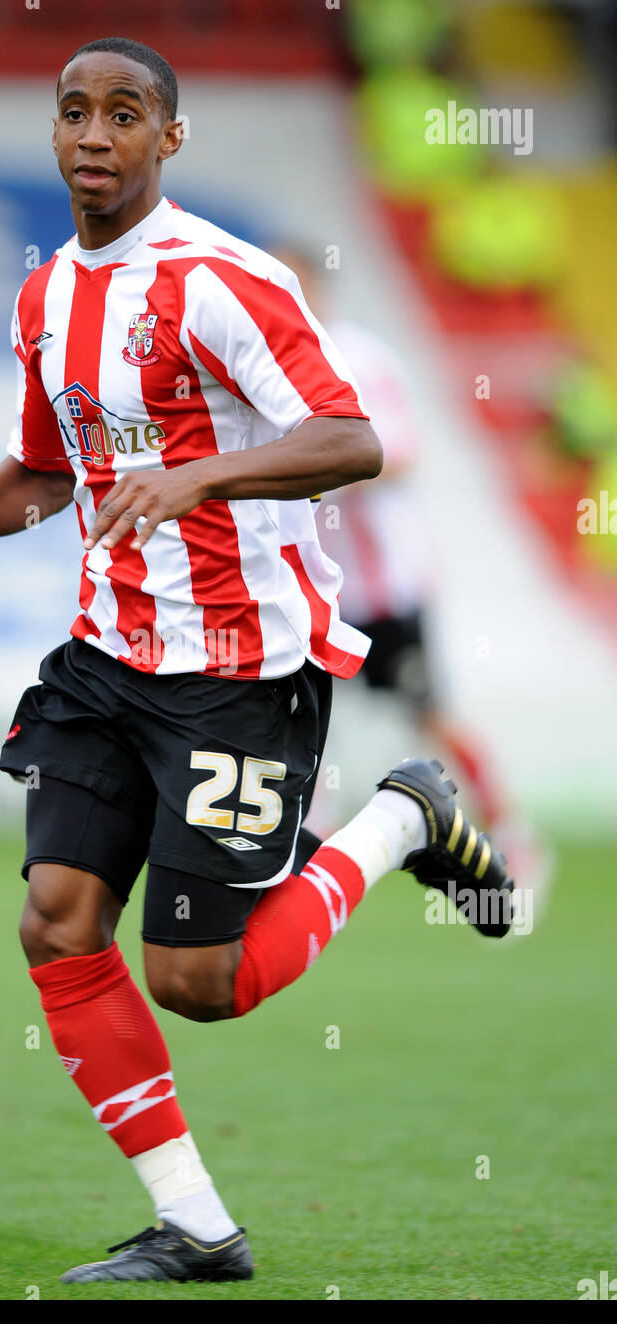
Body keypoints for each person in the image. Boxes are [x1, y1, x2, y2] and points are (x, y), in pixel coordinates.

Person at [0, 37, 514, 1286]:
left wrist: (200, 474)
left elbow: (350, 437)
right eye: (73, 113)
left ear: (169, 139)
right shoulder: (46, 296)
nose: (94, 135)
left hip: (239, 667)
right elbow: (50, 474)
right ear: (53, 134)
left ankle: (401, 818)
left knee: (200, 982)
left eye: (125, 114)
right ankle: (199, 1230)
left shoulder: (223, 277)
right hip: (107, 658)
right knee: (57, 923)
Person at [268, 245, 549, 890]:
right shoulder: (267, 363)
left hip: (381, 586)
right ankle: (309, 853)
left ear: (317, 282)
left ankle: (512, 835)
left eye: (292, 277)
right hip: (314, 588)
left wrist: (320, 471)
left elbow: (399, 451)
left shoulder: (358, 356)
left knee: (429, 711)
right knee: (301, 714)